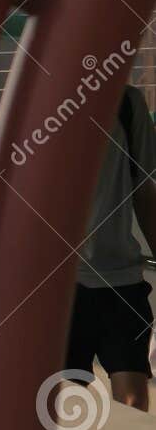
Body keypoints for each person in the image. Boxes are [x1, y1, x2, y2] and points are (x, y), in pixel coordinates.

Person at [67, 84, 156, 410]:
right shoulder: (39, 98)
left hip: (120, 278)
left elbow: (145, 189)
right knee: (55, 397)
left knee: (132, 398)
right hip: (55, 284)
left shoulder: (128, 104)